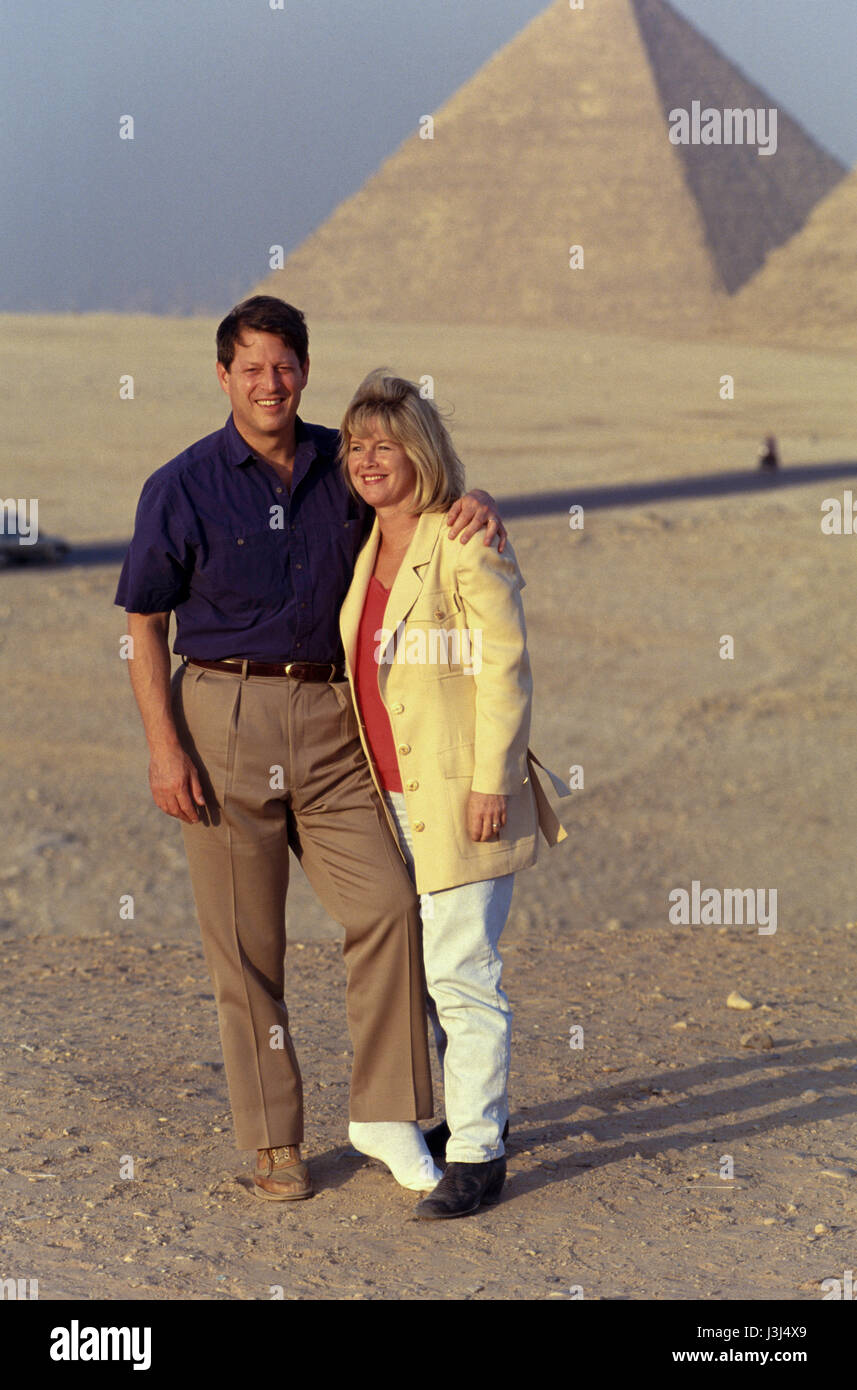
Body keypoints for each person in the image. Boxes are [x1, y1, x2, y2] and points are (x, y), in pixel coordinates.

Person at [115, 297, 506, 1201]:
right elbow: (144, 622)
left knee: (388, 909)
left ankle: (387, 1113)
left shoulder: (347, 463)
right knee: (249, 945)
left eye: (284, 366)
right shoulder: (180, 485)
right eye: (250, 368)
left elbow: (424, 498)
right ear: (223, 376)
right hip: (224, 717)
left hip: (334, 723)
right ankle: (272, 1143)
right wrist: (163, 747)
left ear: (305, 370)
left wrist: (473, 501)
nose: (269, 384)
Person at [338, 370, 570, 1219]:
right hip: (392, 802)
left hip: (464, 794)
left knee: (463, 973)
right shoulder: (367, 545)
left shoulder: (463, 539)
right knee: (434, 979)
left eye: (383, 444)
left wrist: (491, 783)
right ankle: (476, 1119)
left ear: (420, 452)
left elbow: (503, 667)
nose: (366, 459)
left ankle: (476, 1156)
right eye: (354, 445)